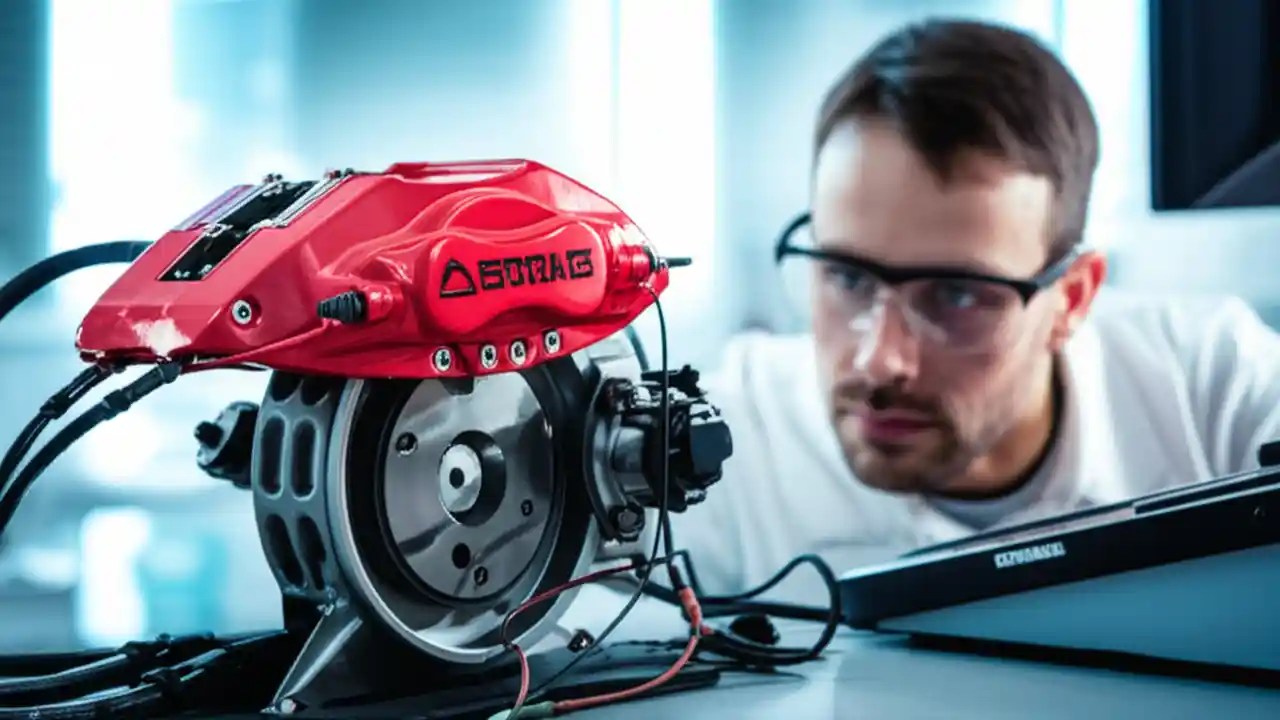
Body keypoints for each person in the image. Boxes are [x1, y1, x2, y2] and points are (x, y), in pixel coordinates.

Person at [667, 18, 1280, 597]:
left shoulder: (1210, 385)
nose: (880, 360)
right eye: (846, 277)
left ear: (1071, 299)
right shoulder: (728, 436)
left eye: (956, 294)